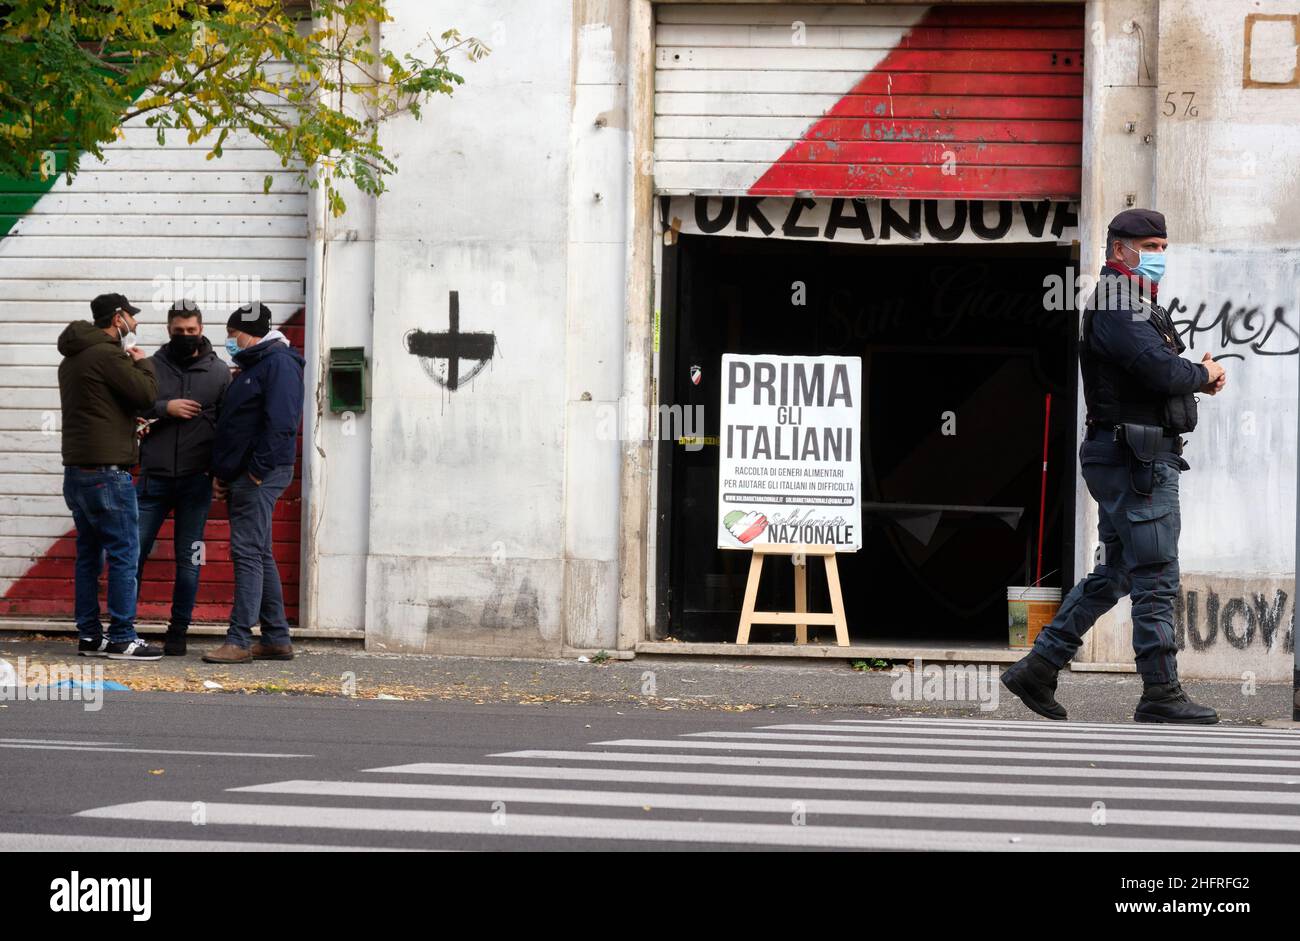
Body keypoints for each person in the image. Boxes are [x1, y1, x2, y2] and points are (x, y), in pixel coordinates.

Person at [1001, 208, 1227, 724]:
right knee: (1156, 573)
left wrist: (1198, 377)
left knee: (1118, 572)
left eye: (1165, 247)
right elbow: (1158, 368)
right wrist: (1200, 371)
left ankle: (1039, 666)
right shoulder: (1117, 303)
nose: (1159, 256)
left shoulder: (1134, 302)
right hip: (1135, 461)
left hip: (1132, 456)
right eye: (1150, 246)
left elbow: (1160, 374)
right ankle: (1160, 693)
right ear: (1120, 248)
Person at [57, 294, 162, 660]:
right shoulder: (109, 354)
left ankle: (90, 636)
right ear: (118, 318)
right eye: (131, 317)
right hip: (107, 476)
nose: (135, 323)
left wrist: (125, 427)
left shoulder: (73, 357)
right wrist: (144, 362)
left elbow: (98, 409)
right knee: (123, 554)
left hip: (78, 473)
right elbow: (147, 394)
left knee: (88, 556)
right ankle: (122, 636)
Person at [202, 303, 305, 664]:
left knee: (246, 553)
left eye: (232, 335)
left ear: (247, 333)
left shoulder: (278, 364)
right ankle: (276, 638)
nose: (228, 341)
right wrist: (224, 473)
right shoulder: (257, 365)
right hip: (244, 475)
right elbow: (239, 426)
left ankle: (239, 640)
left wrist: (256, 472)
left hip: (259, 475)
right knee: (259, 552)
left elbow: (282, 424)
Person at [135, 302, 231, 656]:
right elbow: (131, 406)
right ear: (168, 329)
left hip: (196, 482)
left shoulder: (219, 371)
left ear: (202, 329)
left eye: (192, 331)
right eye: (179, 331)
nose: (186, 336)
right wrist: (165, 408)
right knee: (134, 555)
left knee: (189, 561)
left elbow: (227, 427)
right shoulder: (151, 367)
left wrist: (218, 473)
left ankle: (178, 632)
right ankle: (124, 630)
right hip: (153, 480)